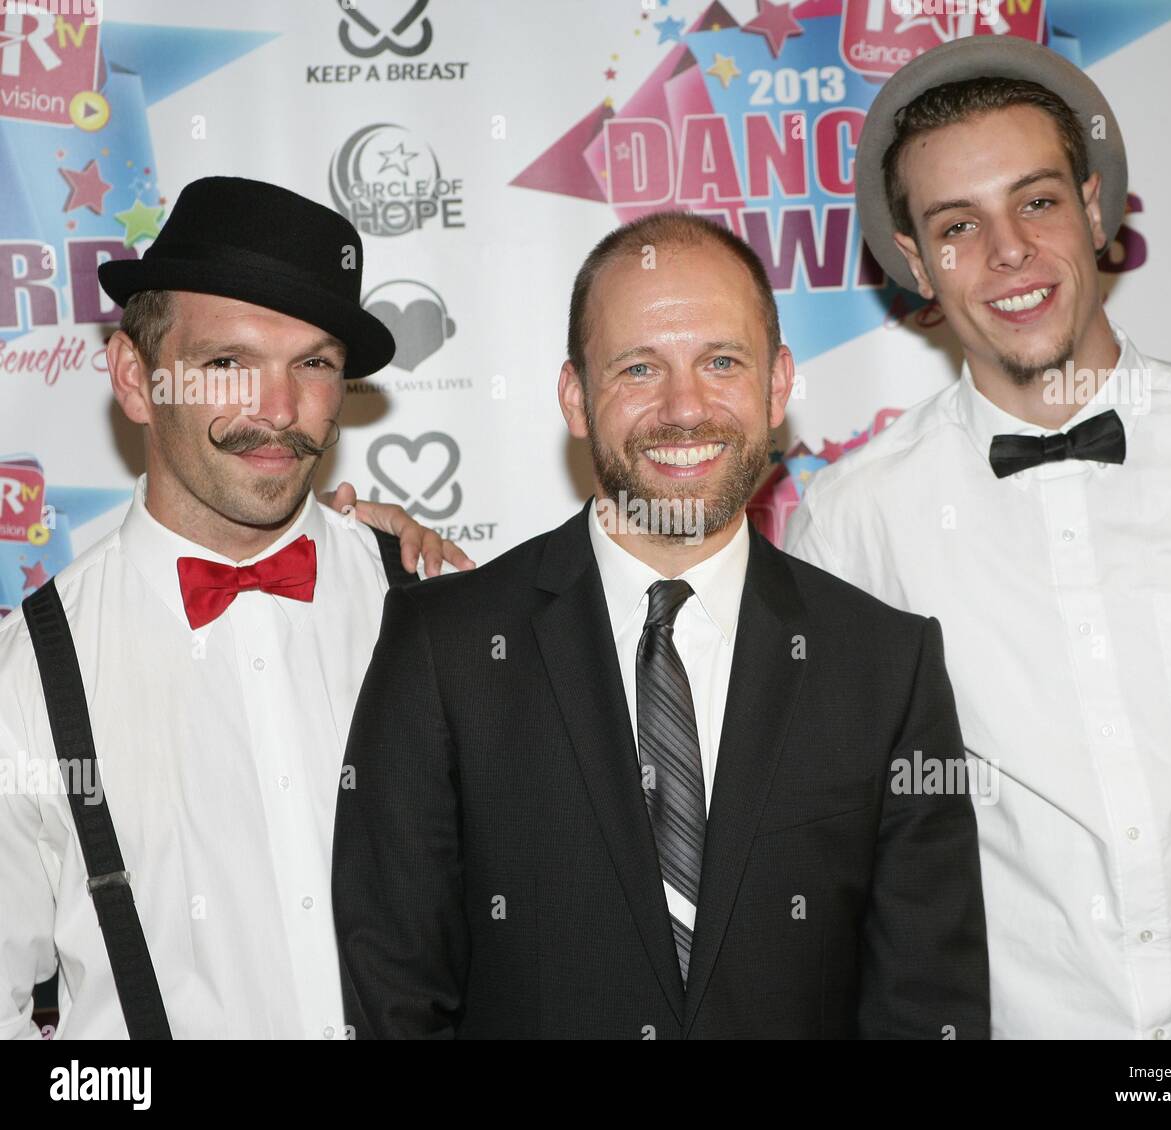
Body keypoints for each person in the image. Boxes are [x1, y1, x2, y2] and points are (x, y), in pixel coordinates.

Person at [332, 212, 990, 1039]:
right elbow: (397, 996)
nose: (685, 409)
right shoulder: (444, 648)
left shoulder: (885, 666)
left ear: (778, 386)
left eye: (721, 361)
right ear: (575, 397)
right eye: (639, 367)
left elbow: (927, 1007)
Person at [785, 36, 1171, 1039]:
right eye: (956, 225)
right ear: (914, 264)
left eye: (1036, 200)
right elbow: (826, 843)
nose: (1007, 251)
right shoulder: (851, 524)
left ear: (1096, 209)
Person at [0, 176, 461, 1039]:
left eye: (314, 365)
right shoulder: (26, 679)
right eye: (227, 364)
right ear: (136, 379)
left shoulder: (438, 607)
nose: (279, 411)